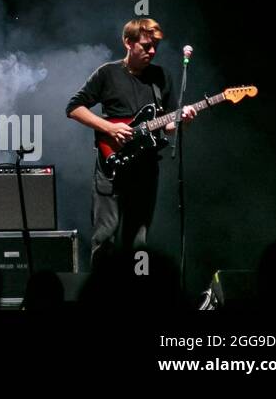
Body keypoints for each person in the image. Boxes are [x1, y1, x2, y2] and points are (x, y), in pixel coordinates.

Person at [66, 18, 194, 268]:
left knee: (138, 242)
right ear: (128, 42)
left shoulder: (161, 77)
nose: (153, 51)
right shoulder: (107, 73)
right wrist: (109, 127)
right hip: (111, 166)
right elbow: (73, 108)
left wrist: (183, 120)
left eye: (155, 45)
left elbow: (166, 124)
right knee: (105, 237)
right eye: (146, 45)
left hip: (145, 169)